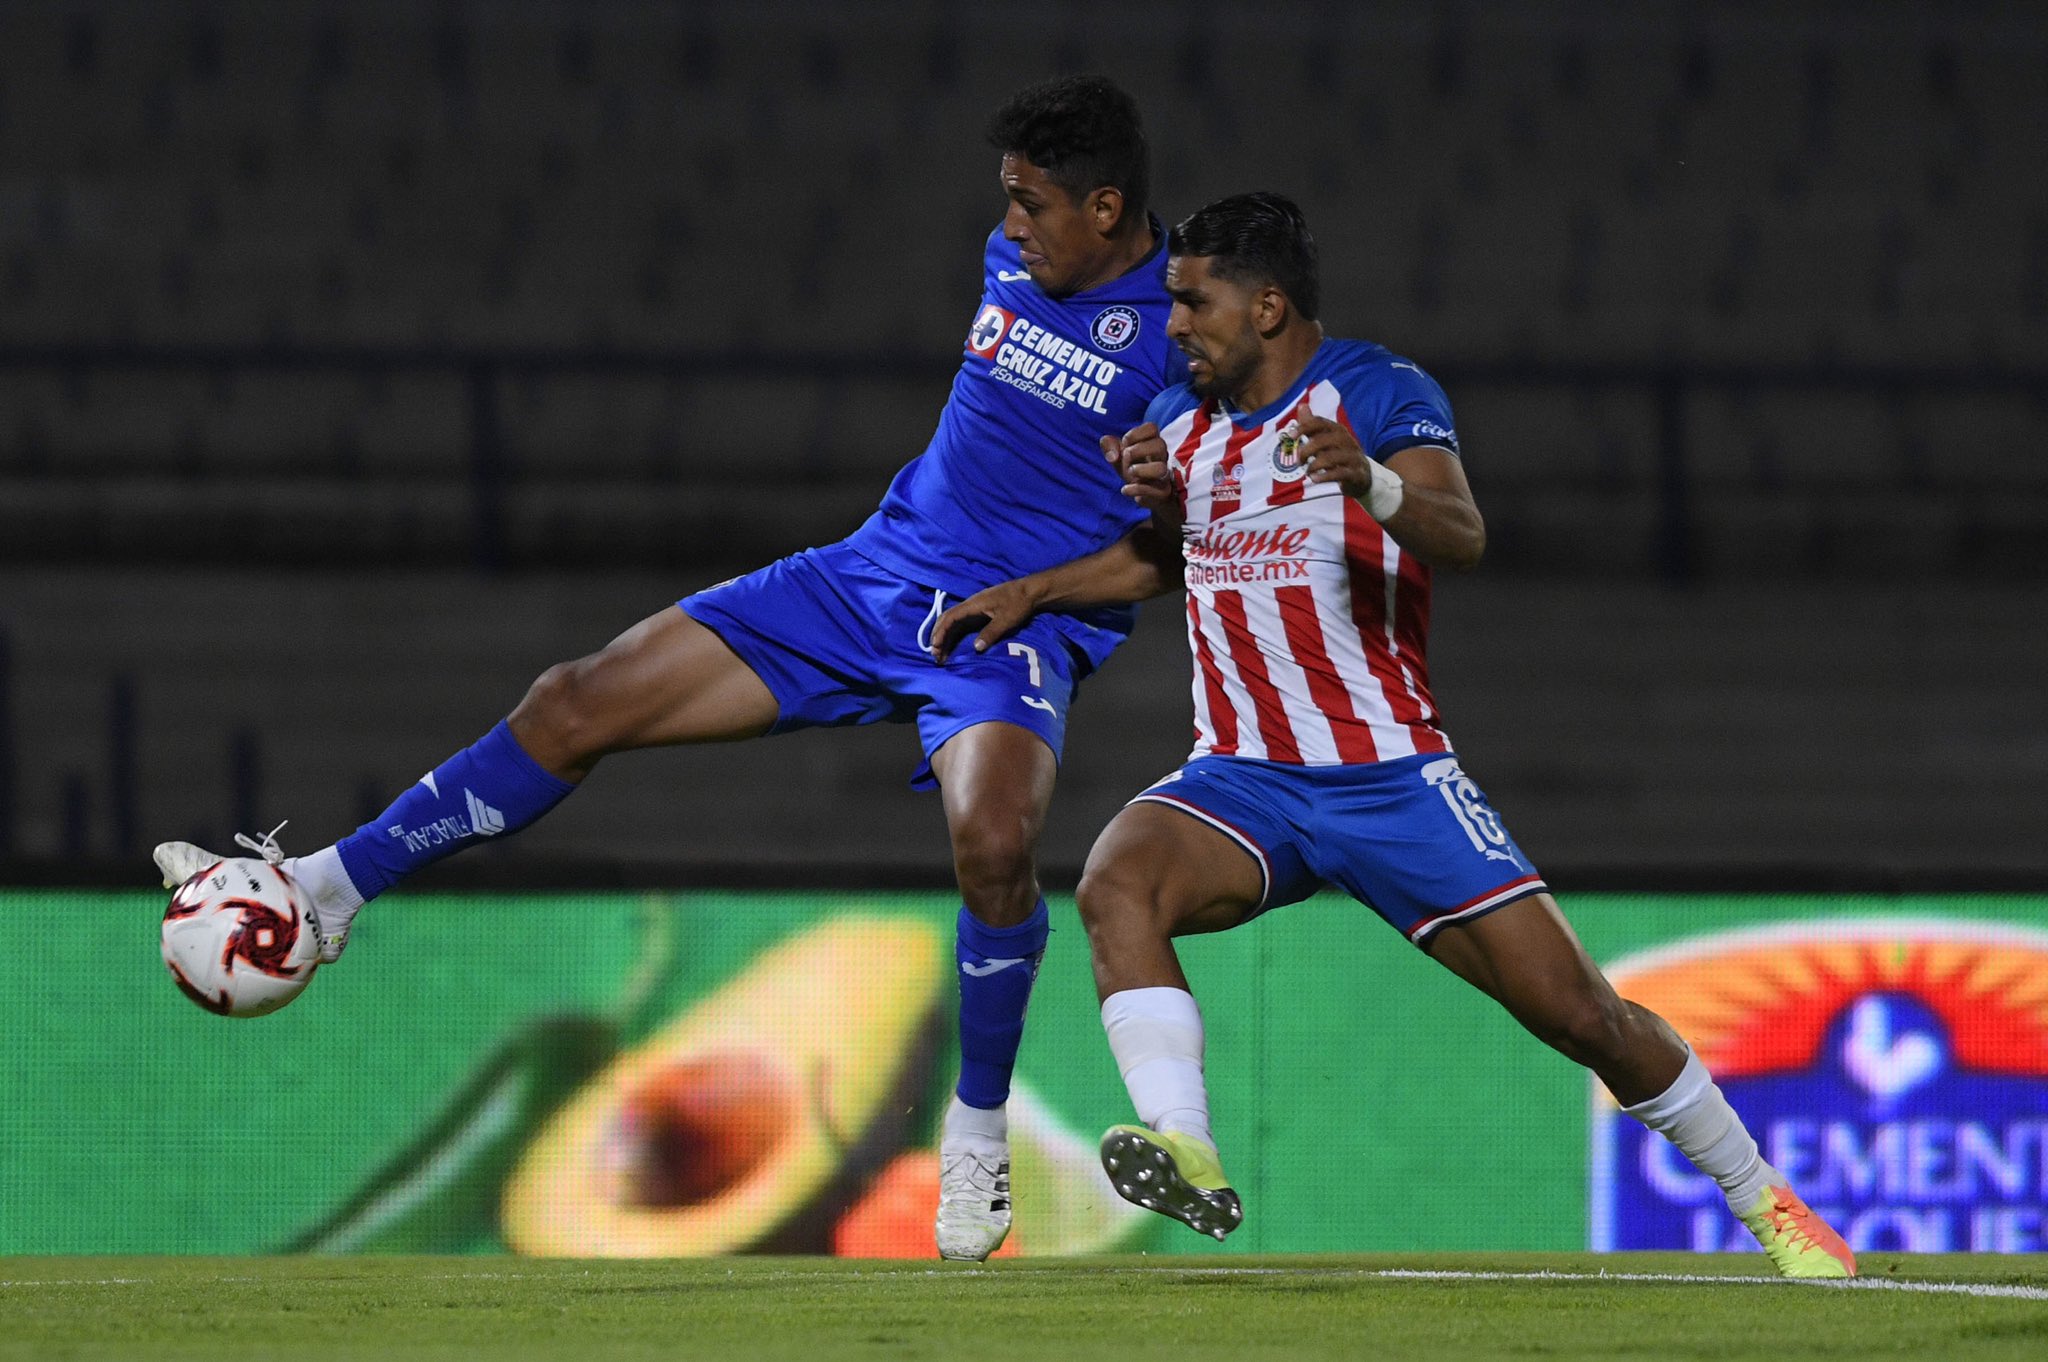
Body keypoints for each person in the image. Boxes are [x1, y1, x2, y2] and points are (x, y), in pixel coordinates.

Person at [153, 74, 1184, 1263]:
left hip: (1011, 631)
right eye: (1004, 201)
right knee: (573, 699)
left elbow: (1177, 553)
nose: (1008, 226)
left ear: (1105, 209)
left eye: (1031, 205)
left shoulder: (1181, 326)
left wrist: (1040, 591)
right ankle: (331, 890)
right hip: (868, 578)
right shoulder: (1017, 262)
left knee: (997, 844)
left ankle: (975, 1127)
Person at [927, 192, 1857, 1278]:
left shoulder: (1376, 391)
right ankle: (1188, 1145)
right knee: (1113, 883)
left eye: (1191, 301)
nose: (1171, 324)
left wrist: (1364, 480)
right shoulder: (1178, 422)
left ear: (1266, 306)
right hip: (1240, 778)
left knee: (1581, 1016)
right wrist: (1033, 589)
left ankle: (1768, 1204)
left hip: (1388, 779)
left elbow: (1459, 533)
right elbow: (1168, 556)